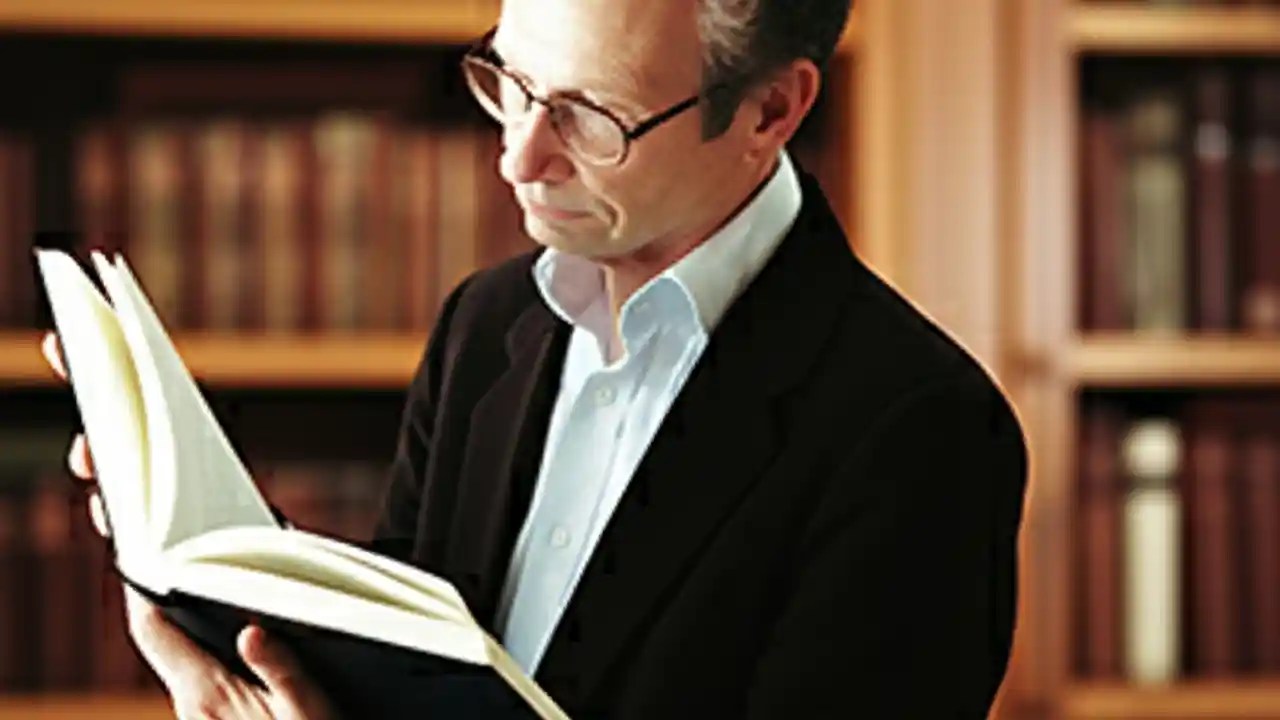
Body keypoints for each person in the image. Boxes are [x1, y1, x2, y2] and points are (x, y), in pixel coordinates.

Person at [44, 0, 1030, 717]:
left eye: (590, 117)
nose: (518, 157)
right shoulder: (486, 327)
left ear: (769, 111)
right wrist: (225, 594)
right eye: (509, 83)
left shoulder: (919, 430)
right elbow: (417, 667)